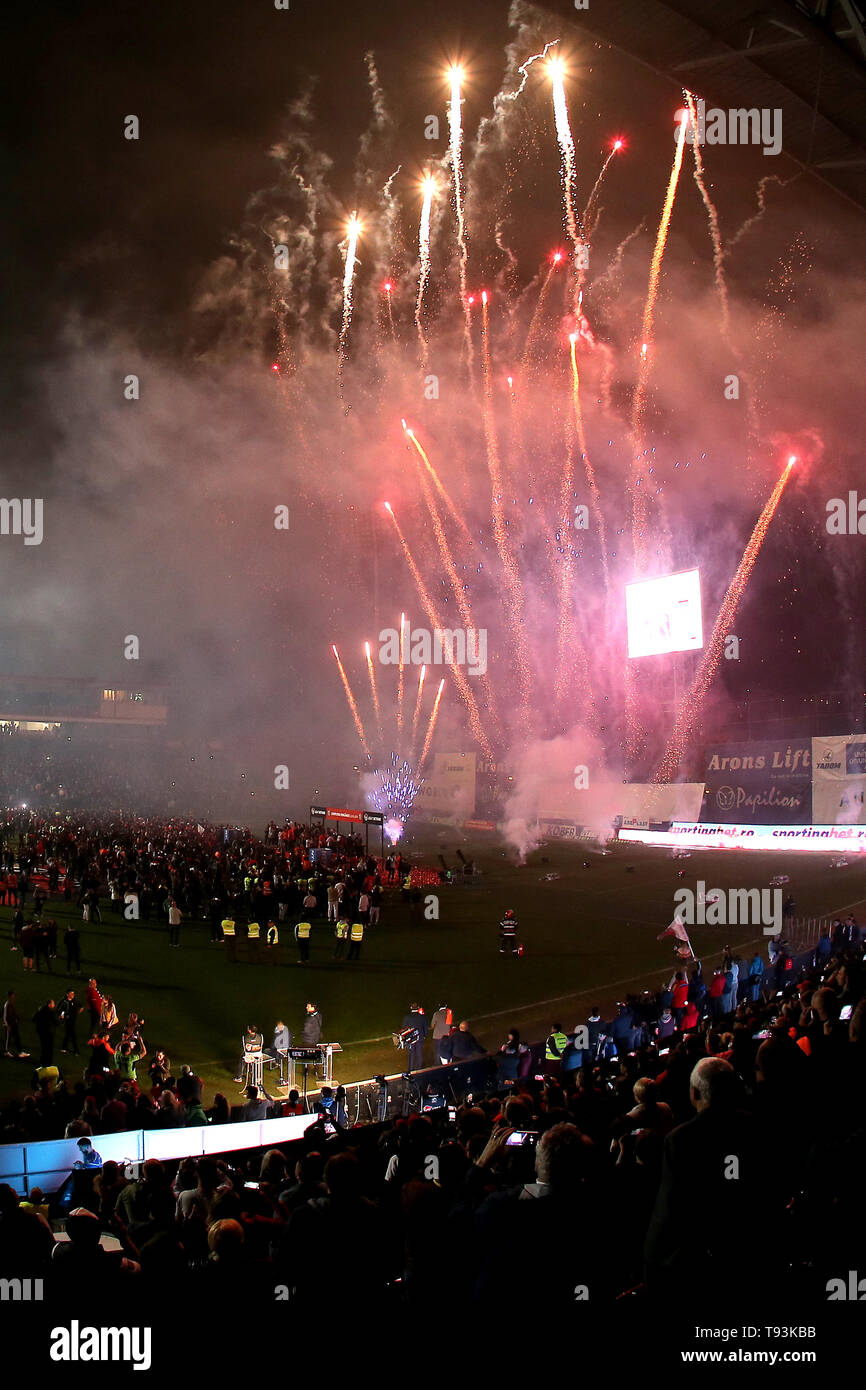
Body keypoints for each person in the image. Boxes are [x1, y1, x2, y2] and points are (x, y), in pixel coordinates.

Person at [401, 1003, 428, 1072]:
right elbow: (425, 1027)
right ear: (418, 1008)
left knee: (411, 1054)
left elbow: (404, 1029)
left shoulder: (407, 1017)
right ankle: (420, 1069)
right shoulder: (422, 1016)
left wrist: (406, 1038)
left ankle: (411, 1069)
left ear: (411, 1008)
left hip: (411, 1038)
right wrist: (424, 1035)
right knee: (419, 1054)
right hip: (420, 1037)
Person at [3, 990, 29, 1059]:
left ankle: (20, 1052)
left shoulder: (11, 1003)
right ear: (9, 996)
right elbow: (5, 1017)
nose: (13, 997)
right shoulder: (7, 1005)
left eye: (13, 996)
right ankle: (6, 1052)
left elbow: (13, 1014)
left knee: (17, 1038)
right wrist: (7, 1025)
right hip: (9, 1025)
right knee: (8, 1039)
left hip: (14, 1024)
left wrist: (17, 1019)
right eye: (12, 996)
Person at [32, 998, 58, 1067]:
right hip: (49, 1033)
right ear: (49, 1005)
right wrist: (61, 1018)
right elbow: (57, 1022)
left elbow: (33, 1019)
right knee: (49, 1048)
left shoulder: (41, 1009)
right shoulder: (52, 1012)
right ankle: (48, 1063)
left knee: (44, 1047)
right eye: (53, 1004)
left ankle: (42, 1061)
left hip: (41, 1032)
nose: (54, 1005)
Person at [57, 989, 82, 1056]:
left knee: (68, 1034)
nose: (73, 995)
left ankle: (64, 1048)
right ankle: (76, 1050)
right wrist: (62, 1015)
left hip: (73, 1020)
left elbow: (81, 1006)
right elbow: (59, 1009)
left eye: (73, 994)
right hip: (67, 1021)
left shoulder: (74, 1001)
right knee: (73, 1035)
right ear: (67, 994)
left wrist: (79, 1011)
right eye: (71, 994)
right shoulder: (64, 1001)